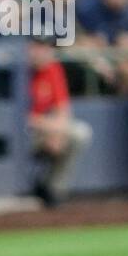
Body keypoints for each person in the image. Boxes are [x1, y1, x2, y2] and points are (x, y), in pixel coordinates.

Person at [28, 35, 91, 207]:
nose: (43, 52)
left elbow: (63, 108)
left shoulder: (53, 68)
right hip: (23, 132)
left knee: (80, 132)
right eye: (38, 46)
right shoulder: (18, 70)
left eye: (47, 47)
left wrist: (58, 131)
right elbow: (16, 116)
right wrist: (51, 129)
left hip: (47, 128)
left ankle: (53, 190)